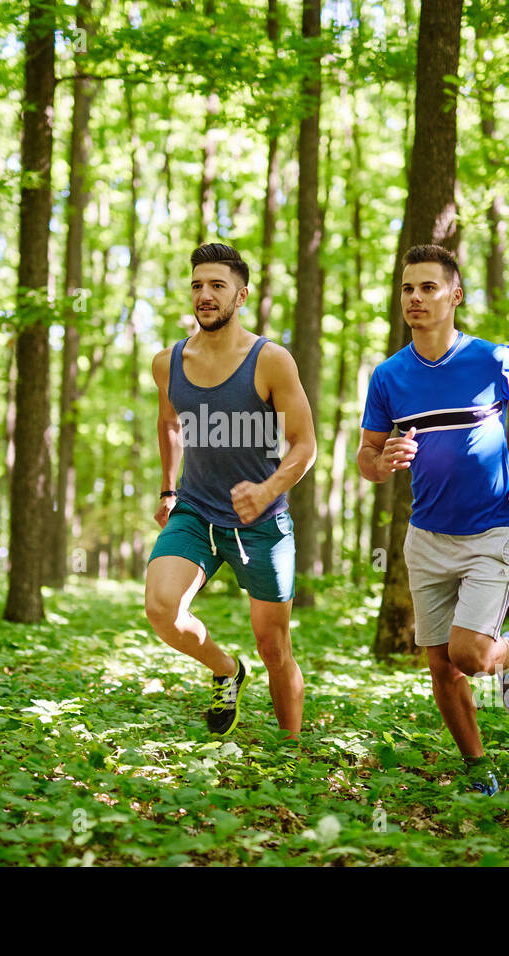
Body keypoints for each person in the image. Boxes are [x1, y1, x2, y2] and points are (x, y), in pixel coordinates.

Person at [357, 243, 509, 794]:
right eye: (407, 288)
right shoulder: (388, 376)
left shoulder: (490, 359)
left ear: (455, 296)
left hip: (490, 531)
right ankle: (478, 771)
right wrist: (381, 463)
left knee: (469, 654)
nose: (415, 298)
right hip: (425, 537)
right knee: (441, 668)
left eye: (428, 287)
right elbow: (367, 458)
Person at [145, 242, 317, 738]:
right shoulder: (167, 363)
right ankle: (225, 669)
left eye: (217, 285)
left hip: (262, 524)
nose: (205, 294)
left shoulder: (270, 361)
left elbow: (304, 444)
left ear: (241, 295)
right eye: (198, 285)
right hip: (196, 511)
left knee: (274, 648)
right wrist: (167, 489)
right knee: (161, 607)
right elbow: (170, 423)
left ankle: (291, 752)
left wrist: (267, 491)